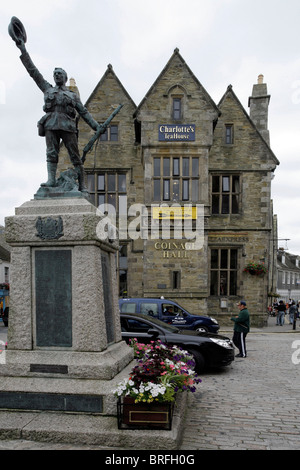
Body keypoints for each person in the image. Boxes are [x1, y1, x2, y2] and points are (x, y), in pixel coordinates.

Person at [15, 39, 100, 192]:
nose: (57, 75)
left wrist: (95, 125)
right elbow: (33, 72)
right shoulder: (47, 89)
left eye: (60, 73)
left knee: (75, 155)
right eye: (55, 74)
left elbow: (84, 112)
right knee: (51, 153)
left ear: (65, 78)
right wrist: (23, 50)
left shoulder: (72, 95)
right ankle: (51, 180)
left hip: (68, 126)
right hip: (51, 124)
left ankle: (82, 185)